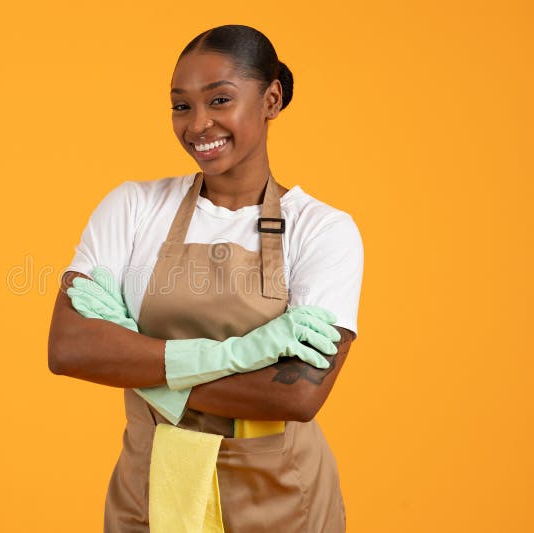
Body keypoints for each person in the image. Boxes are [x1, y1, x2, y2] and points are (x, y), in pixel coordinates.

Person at [48, 24, 364, 533]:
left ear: (271, 99)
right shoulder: (133, 207)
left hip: (279, 493)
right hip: (150, 486)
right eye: (181, 106)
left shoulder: (322, 230)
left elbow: (297, 396)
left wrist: (138, 365)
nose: (198, 125)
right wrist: (237, 357)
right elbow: (69, 348)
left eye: (220, 100)